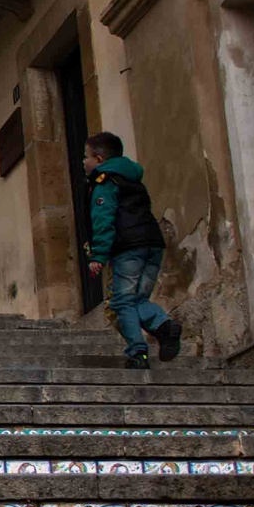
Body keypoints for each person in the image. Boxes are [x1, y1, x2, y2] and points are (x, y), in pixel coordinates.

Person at [84, 131, 181, 369]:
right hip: (153, 244)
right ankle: (165, 326)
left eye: (85, 157)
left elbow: (103, 219)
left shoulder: (104, 181)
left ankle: (138, 353)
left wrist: (98, 254)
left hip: (128, 248)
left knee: (121, 302)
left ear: (98, 159)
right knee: (137, 299)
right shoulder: (132, 179)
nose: (83, 162)